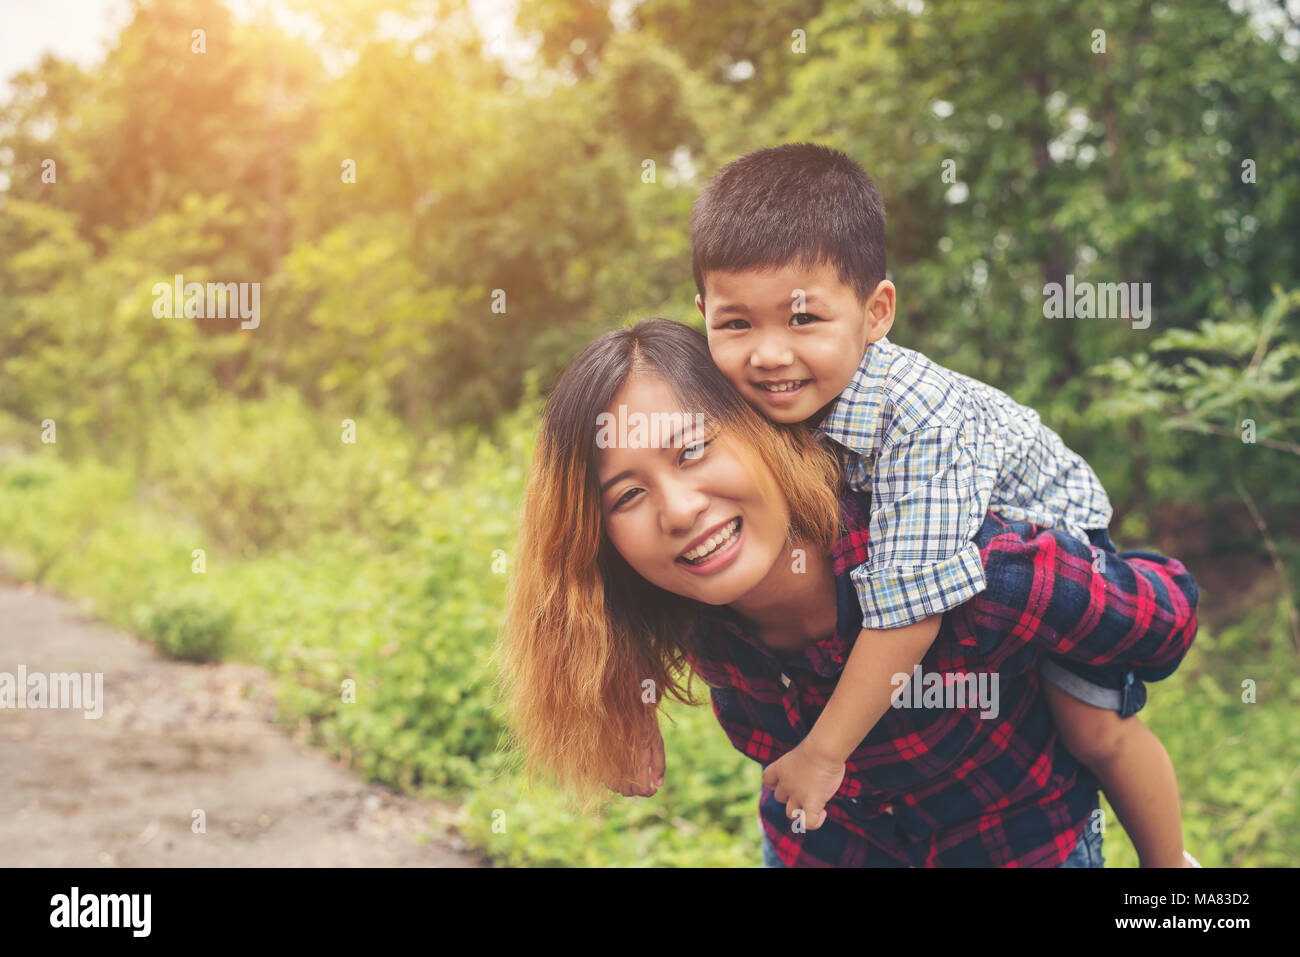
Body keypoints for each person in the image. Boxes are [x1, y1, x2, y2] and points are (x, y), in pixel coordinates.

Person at [494, 317, 1199, 866]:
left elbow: (1167, 615)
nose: (677, 509)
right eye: (627, 494)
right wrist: (626, 700)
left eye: (692, 449)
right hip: (829, 847)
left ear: (763, 427)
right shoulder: (689, 606)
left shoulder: (968, 566)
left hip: (1019, 843)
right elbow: (589, 603)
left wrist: (1084, 592)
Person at [689, 142, 1195, 866]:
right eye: (737, 324)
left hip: (1050, 526)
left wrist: (824, 753)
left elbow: (911, 607)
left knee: (1093, 730)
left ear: (876, 311)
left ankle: (1173, 869)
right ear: (704, 313)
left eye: (803, 320)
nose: (769, 353)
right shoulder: (740, 401)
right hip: (873, 810)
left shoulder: (921, 422)